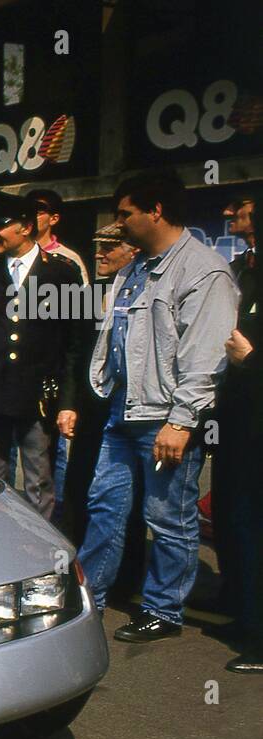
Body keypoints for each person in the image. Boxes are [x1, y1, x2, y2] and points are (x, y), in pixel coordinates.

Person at [75, 171, 238, 643]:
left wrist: (182, 421)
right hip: (122, 411)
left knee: (168, 517)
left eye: (125, 213)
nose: (119, 223)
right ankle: (91, 598)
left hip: (166, 419)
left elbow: (206, 354)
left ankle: (164, 610)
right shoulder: (133, 271)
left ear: (156, 211)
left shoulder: (203, 271)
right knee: (104, 506)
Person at [0, 190, 82, 520]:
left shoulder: (63, 272)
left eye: (0, 226)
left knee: (39, 481)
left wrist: (67, 401)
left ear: (25, 227)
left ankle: (42, 553)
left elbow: (75, 343)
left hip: (37, 396)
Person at [58, 222, 137, 546]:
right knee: (79, 485)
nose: (99, 253)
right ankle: (80, 566)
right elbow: (74, 353)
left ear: (132, 250)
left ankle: (124, 581)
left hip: (131, 408)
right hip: (91, 408)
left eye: (109, 246)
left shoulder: (144, 293)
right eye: (97, 245)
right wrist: (68, 403)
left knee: (125, 498)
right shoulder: (90, 296)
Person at [210, 191, 259, 660]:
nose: (232, 217)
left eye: (242, 210)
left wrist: (254, 359)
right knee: (233, 517)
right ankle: (242, 605)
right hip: (237, 420)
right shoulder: (245, 266)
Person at [26, 188, 90, 283]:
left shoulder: (68, 257)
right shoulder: (12, 251)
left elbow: (83, 295)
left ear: (54, 219)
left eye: (38, 213)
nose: (31, 217)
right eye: (28, 212)